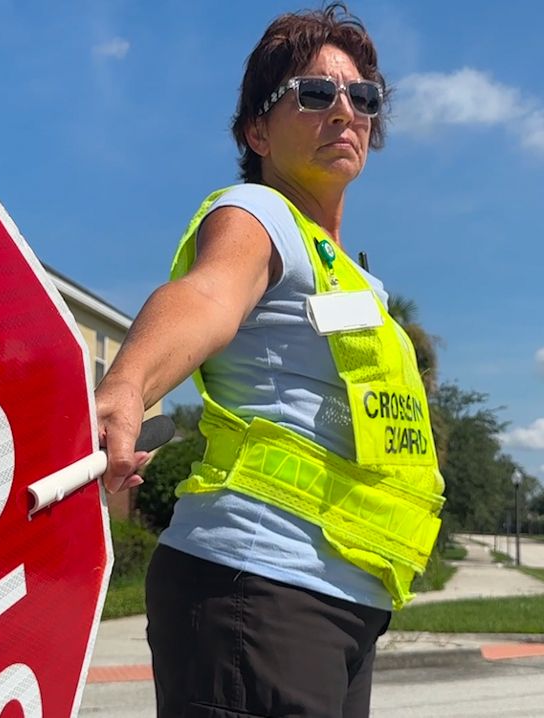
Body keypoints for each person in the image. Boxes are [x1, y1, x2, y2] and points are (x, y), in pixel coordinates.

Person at [95, 5, 444, 716]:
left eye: (363, 97)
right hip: (255, 584)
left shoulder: (357, 280)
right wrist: (128, 385)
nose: (344, 111)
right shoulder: (258, 214)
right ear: (257, 130)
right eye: (315, 94)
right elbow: (207, 295)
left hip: (342, 601)